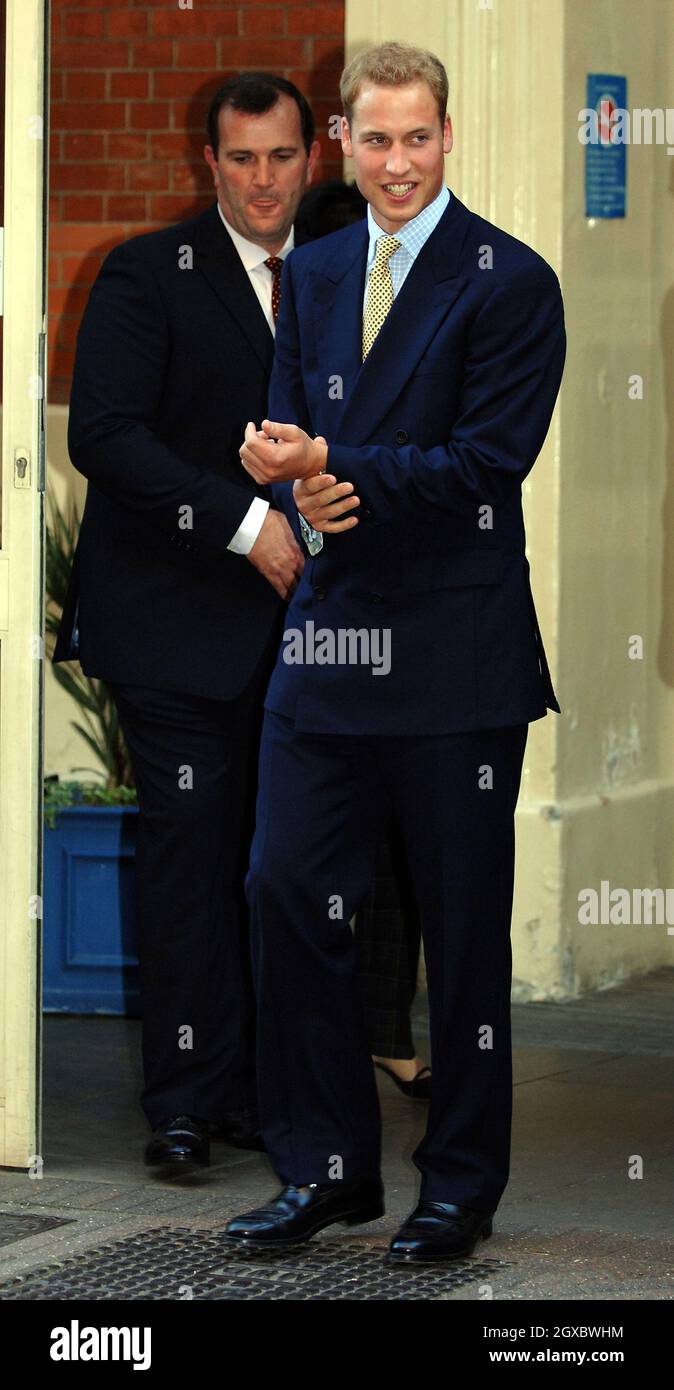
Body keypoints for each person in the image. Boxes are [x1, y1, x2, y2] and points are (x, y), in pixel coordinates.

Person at [225, 41, 566, 1264]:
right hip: (327, 644)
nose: (396, 162)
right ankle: (324, 1170)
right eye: (374, 140)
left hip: (452, 657)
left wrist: (329, 471)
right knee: (281, 889)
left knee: (460, 932)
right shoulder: (311, 273)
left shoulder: (508, 280)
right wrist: (279, 466)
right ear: (341, 142)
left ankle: (458, 1185)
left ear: (447, 136)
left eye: (416, 138)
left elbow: (486, 465)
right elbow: (286, 420)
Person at [53, 73, 319, 1170]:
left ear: (314, 157)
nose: (263, 181)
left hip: (309, 636)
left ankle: (257, 1092)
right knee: (187, 869)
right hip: (174, 628)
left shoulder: (345, 269)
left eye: (281, 157)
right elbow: (104, 439)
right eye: (241, 159)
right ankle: (181, 1103)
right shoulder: (144, 272)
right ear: (208, 163)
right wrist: (245, 523)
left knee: (281, 868)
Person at [296, 179, 431, 1099]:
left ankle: (381, 1028)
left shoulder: (471, 283)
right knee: (302, 863)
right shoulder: (311, 281)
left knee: (401, 851)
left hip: (412, 611)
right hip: (307, 602)